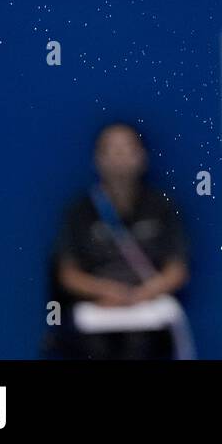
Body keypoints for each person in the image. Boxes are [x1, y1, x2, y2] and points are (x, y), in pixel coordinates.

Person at [54, 122, 190, 358]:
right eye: (111, 149)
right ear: (98, 158)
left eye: (127, 148)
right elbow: (68, 275)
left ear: (142, 156)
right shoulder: (79, 211)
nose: (119, 156)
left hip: (147, 304)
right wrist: (105, 291)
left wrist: (141, 295)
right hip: (99, 307)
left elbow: (177, 270)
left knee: (142, 344)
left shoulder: (162, 206)